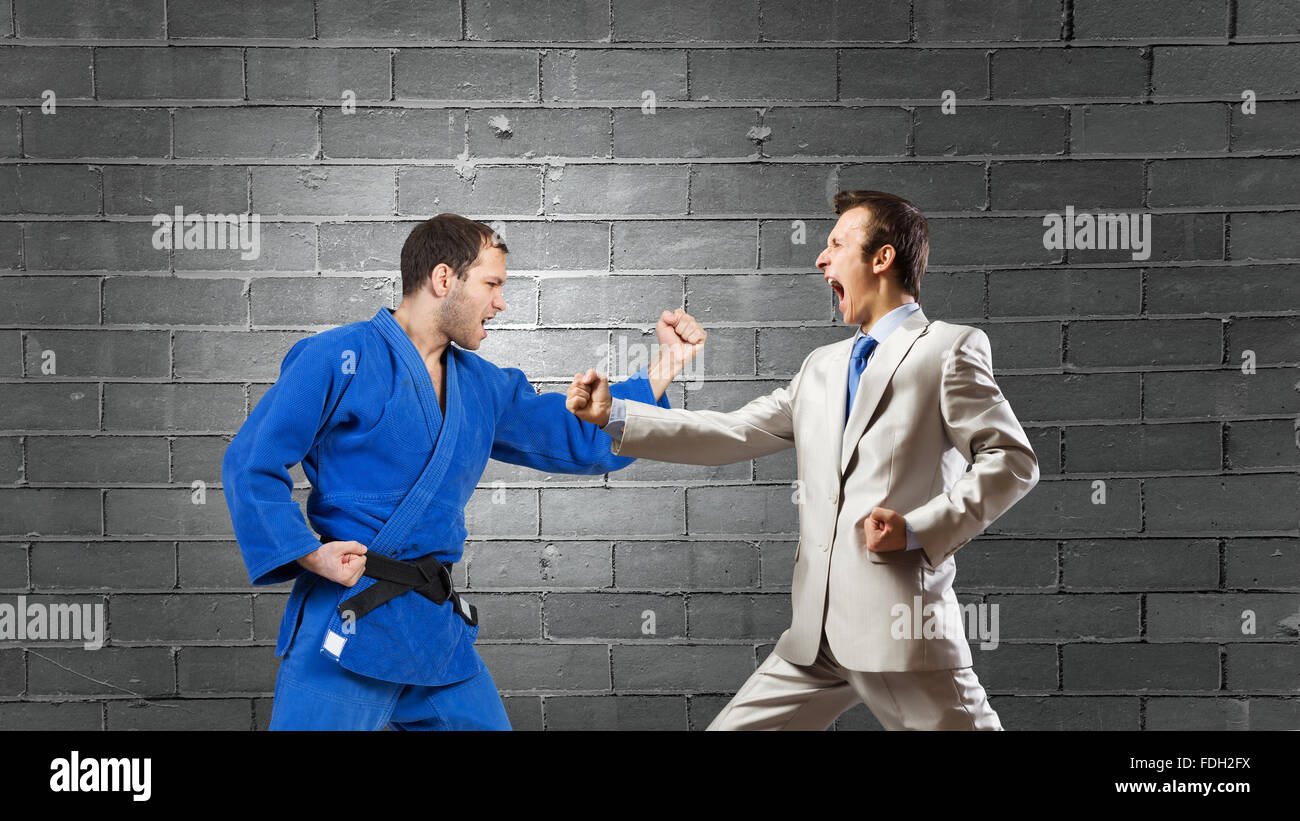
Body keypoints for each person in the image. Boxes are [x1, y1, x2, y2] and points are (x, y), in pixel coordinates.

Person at [567, 190, 1038, 730]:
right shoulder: (821, 366)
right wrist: (616, 415)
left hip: (901, 632)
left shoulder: (949, 349)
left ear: (882, 258)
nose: (820, 258)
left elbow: (1011, 460)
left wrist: (916, 529)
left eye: (837, 244)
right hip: (815, 640)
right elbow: (735, 431)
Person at [222, 213, 707, 730]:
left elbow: (578, 439)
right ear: (444, 279)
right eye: (493, 284)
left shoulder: (483, 386)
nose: (501, 302)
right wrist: (309, 554)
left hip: (430, 626)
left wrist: (665, 365)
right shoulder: (338, 358)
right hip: (346, 616)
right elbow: (251, 462)